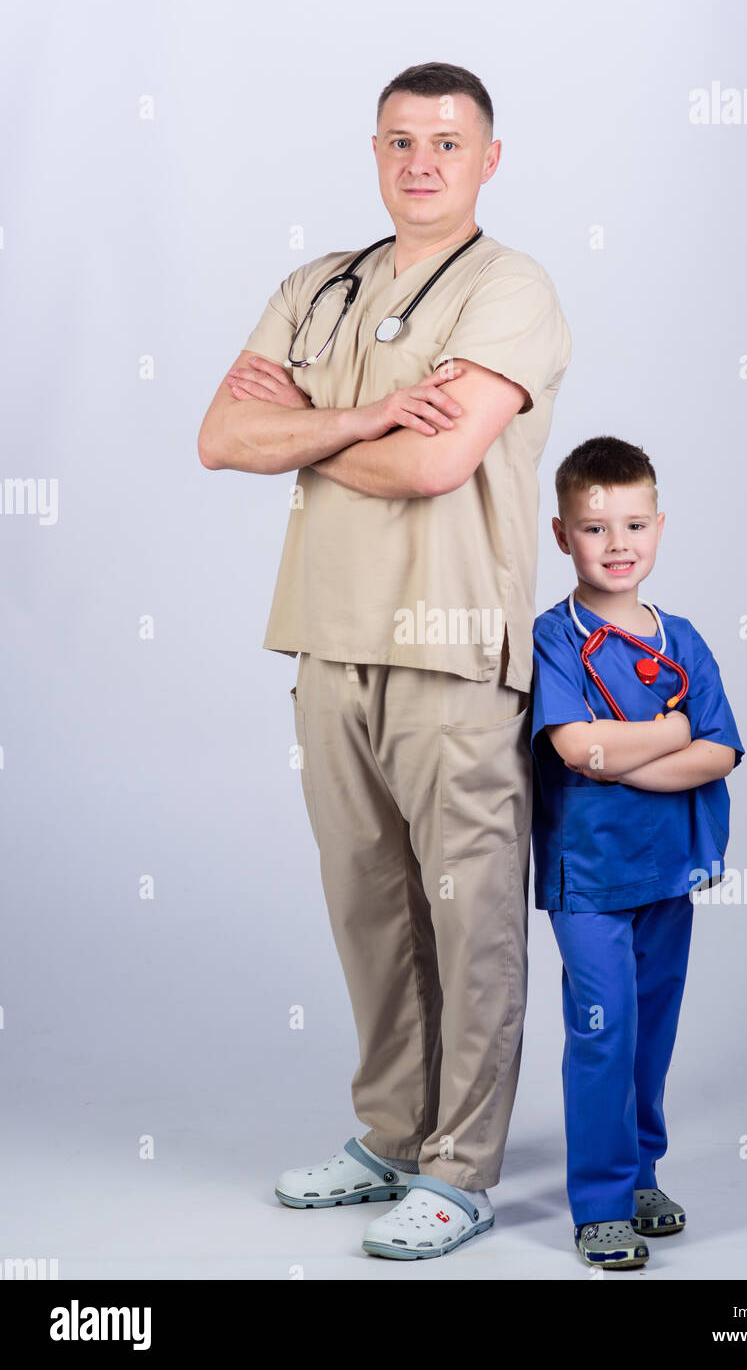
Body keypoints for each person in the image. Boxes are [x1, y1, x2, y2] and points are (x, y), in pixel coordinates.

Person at [197, 62, 571, 1260]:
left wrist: (301, 430)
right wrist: (362, 417)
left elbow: (434, 467)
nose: (422, 161)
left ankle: (460, 1169)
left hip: (453, 643)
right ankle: (390, 1135)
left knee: (470, 921)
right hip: (327, 636)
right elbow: (219, 436)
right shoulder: (320, 285)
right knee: (369, 909)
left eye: (447, 143)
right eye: (400, 140)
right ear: (374, 152)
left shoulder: (511, 288)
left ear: (488, 159)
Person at [529, 435, 745, 1268]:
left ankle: (641, 1173)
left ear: (659, 527)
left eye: (633, 524)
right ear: (560, 535)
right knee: (601, 1027)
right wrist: (667, 731)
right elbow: (573, 749)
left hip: (668, 869)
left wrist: (634, 752)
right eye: (593, 529)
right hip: (587, 875)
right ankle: (599, 1204)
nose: (616, 545)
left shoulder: (681, 638)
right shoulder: (556, 638)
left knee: (650, 1028)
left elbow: (718, 752)